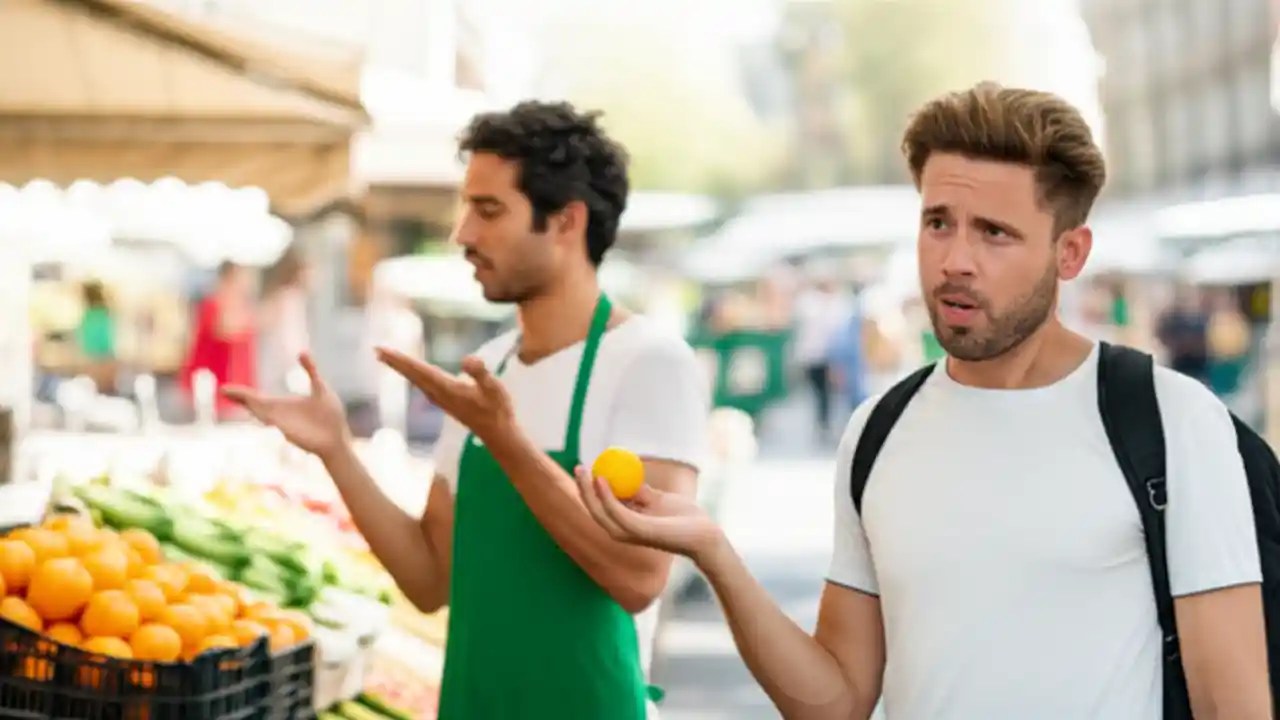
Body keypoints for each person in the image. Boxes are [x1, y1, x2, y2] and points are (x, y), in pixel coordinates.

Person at [574, 82, 1270, 719]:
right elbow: (836, 701)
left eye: (993, 232)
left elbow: (1232, 704)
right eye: (939, 222)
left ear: (1070, 253)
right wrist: (714, 552)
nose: (954, 260)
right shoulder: (880, 430)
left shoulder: (1173, 422)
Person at [222, 101, 709, 720]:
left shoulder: (649, 364)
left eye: (489, 210)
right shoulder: (491, 366)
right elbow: (428, 580)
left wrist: (506, 441)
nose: (463, 235)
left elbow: (640, 579)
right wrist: (336, 451)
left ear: (566, 222)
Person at [182, 261, 258, 420]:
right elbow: (226, 330)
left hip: (235, 395)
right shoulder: (215, 304)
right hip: (215, 397)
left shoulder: (239, 306)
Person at [257, 247, 312, 396]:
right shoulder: (287, 298)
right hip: (284, 366)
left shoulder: (288, 297)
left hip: (285, 365)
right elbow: (290, 337)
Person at [77, 280, 117, 394]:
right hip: (103, 355)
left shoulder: (89, 316)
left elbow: (84, 339)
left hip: (95, 356)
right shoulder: (104, 313)